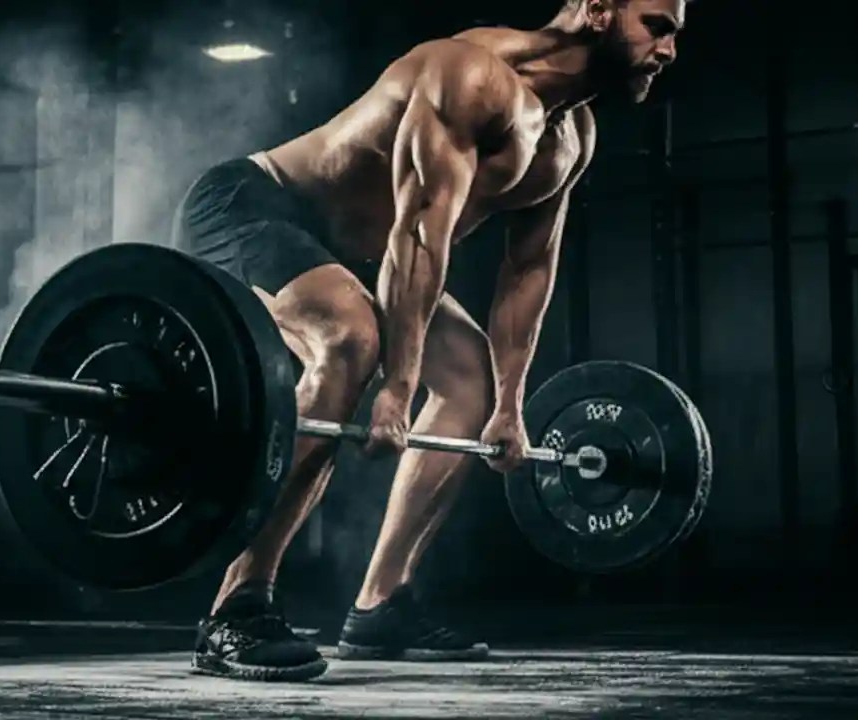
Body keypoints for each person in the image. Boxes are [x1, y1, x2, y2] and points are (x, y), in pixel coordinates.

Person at [172, 0, 687, 681]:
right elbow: (418, 234)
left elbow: (528, 269)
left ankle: (379, 605)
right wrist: (396, 388)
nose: (670, 50)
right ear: (596, 10)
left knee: (471, 378)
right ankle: (235, 606)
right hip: (255, 205)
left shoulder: (571, 137)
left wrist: (510, 404)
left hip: (360, 253)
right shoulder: (471, 74)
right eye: (658, 24)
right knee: (349, 337)